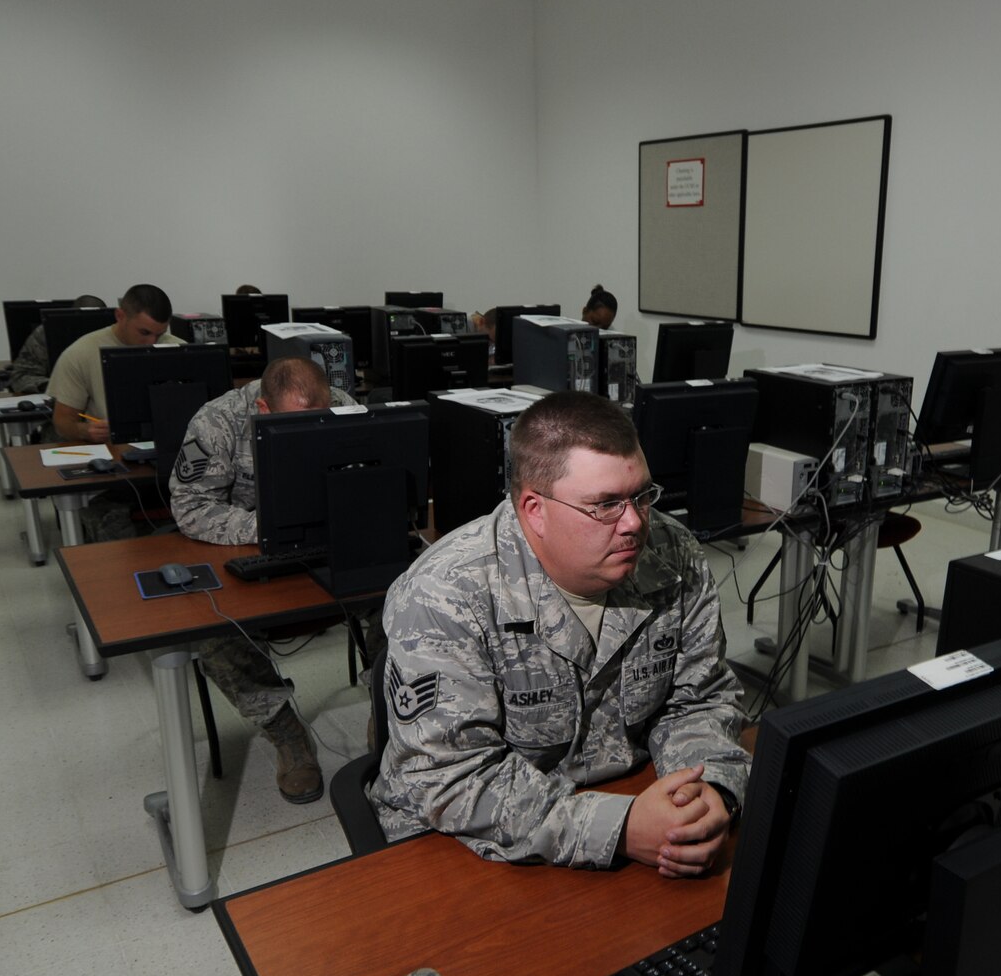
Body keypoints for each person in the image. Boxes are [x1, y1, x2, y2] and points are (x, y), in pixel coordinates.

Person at [370, 391, 750, 876]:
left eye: (641, 496)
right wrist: (620, 826)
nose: (635, 523)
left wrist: (710, 790)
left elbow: (701, 699)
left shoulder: (673, 554)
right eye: (606, 505)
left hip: (630, 809)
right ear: (534, 509)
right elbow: (450, 781)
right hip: (463, 843)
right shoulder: (444, 594)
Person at [170, 357, 363, 803]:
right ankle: (286, 732)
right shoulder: (216, 422)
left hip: (326, 547)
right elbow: (190, 506)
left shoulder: (342, 405)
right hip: (250, 552)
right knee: (216, 637)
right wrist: (270, 529)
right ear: (262, 406)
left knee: (399, 595)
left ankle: (389, 709)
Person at [48, 284, 185, 541]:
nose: (151, 342)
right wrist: (85, 430)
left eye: (160, 334)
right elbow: (62, 420)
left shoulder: (178, 350)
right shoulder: (80, 353)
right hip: (116, 466)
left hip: (170, 460)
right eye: (144, 332)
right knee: (115, 527)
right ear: (120, 316)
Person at [8, 293, 105, 397]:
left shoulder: (116, 335)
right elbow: (20, 377)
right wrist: (55, 386)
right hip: (58, 399)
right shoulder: (45, 333)